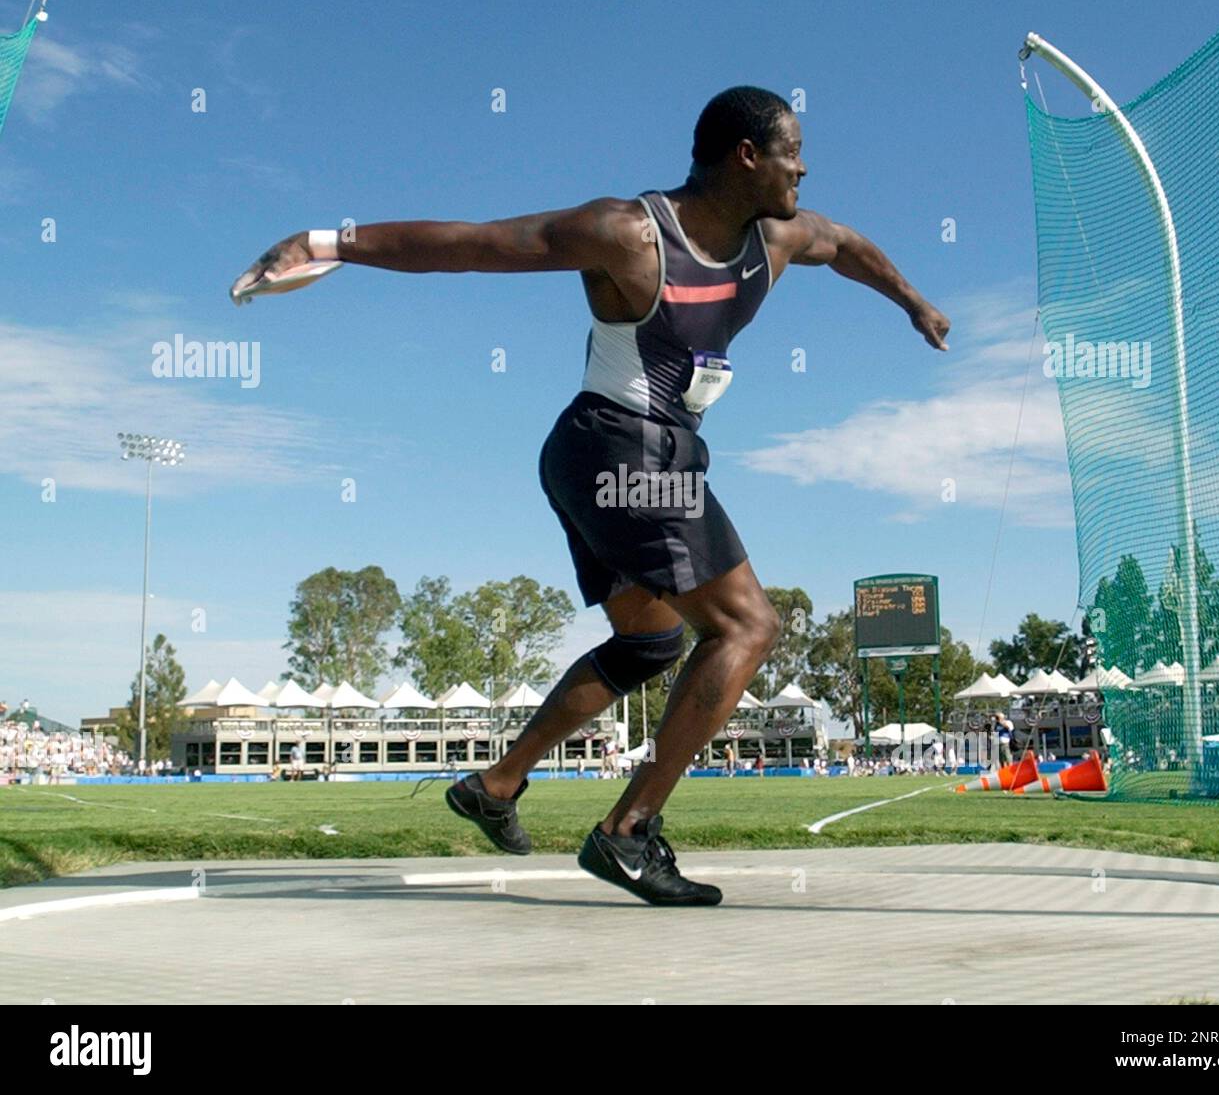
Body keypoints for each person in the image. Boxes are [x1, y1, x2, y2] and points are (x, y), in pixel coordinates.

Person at [232, 86, 948, 908]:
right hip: (623, 446)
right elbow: (474, 245)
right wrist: (326, 241)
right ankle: (627, 832)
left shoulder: (778, 239)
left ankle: (496, 785)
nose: (804, 166)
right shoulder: (629, 234)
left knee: (648, 644)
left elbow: (849, 244)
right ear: (746, 156)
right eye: (792, 151)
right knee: (750, 623)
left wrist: (913, 302)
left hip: (596, 455)